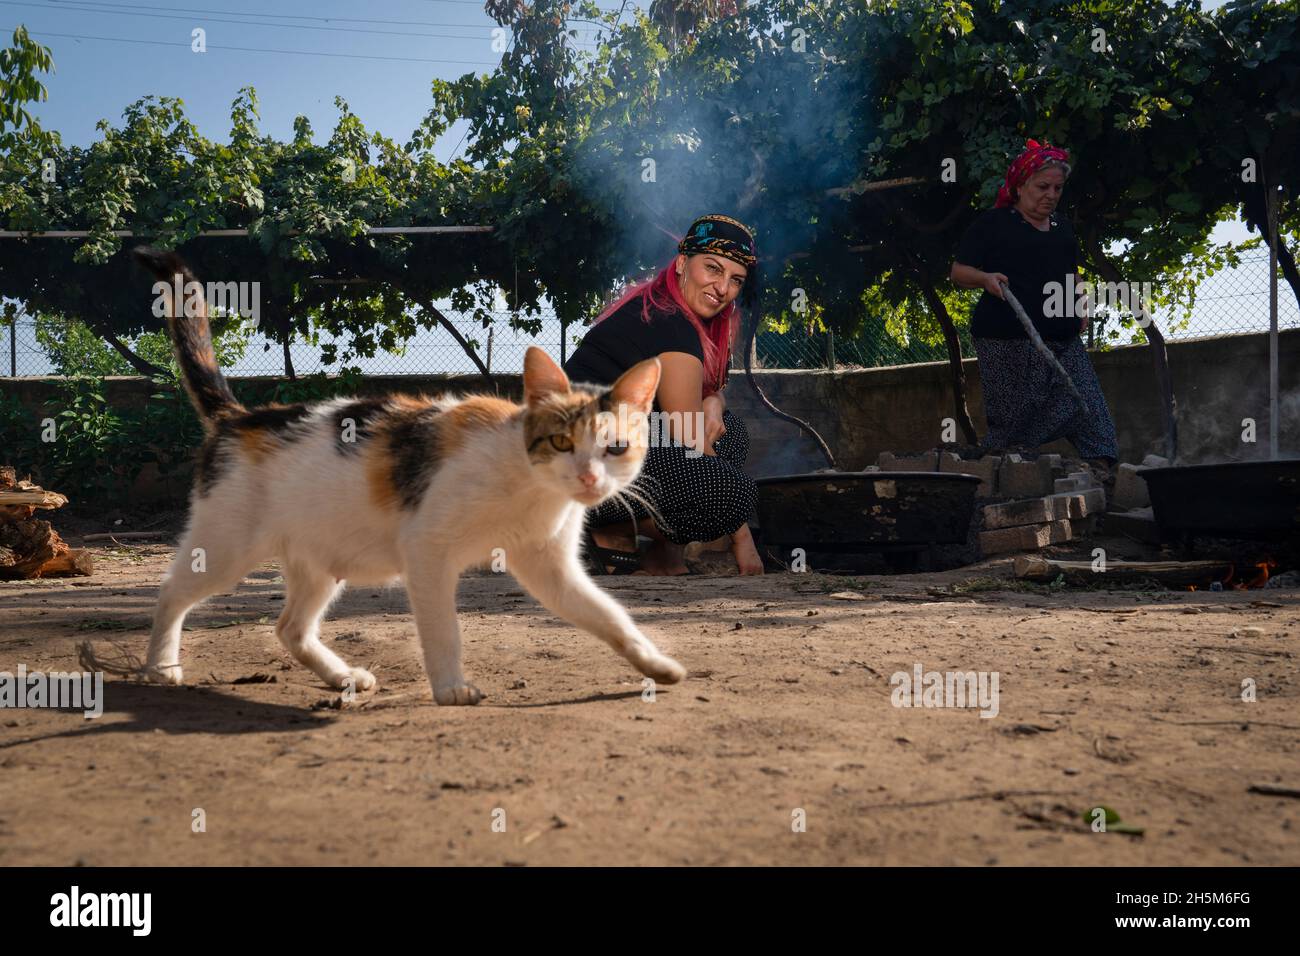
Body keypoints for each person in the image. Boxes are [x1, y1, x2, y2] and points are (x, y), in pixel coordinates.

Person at [563, 214, 763, 576]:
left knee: (728, 433)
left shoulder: (674, 312)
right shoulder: (670, 323)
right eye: (713, 269)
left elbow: (707, 392)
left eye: (735, 280)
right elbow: (691, 439)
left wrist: (713, 403)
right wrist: (742, 539)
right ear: (683, 263)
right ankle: (597, 530)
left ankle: (662, 558)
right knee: (729, 495)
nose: (722, 288)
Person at [950, 139, 1119, 478]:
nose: (1051, 194)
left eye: (1057, 188)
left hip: (1063, 335)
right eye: (1043, 186)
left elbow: (1072, 274)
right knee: (1017, 412)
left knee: (1086, 400)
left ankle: (1103, 467)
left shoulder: (1062, 229)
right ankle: (1003, 464)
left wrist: (1081, 306)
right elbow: (958, 272)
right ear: (1020, 185)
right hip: (1006, 339)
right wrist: (984, 279)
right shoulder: (993, 224)